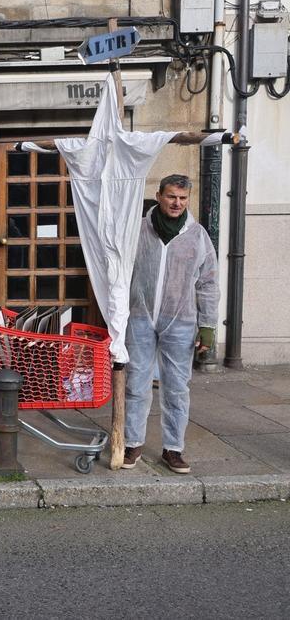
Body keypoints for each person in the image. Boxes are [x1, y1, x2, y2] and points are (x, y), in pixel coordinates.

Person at [123, 174, 219, 474]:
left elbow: (208, 282)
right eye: (171, 196)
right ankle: (132, 442)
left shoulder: (197, 235)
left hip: (181, 321)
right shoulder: (137, 230)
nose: (177, 203)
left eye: (183, 198)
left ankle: (173, 449)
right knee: (136, 383)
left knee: (177, 388)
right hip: (139, 317)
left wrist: (208, 326)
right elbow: (119, 273)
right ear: (159, 195)